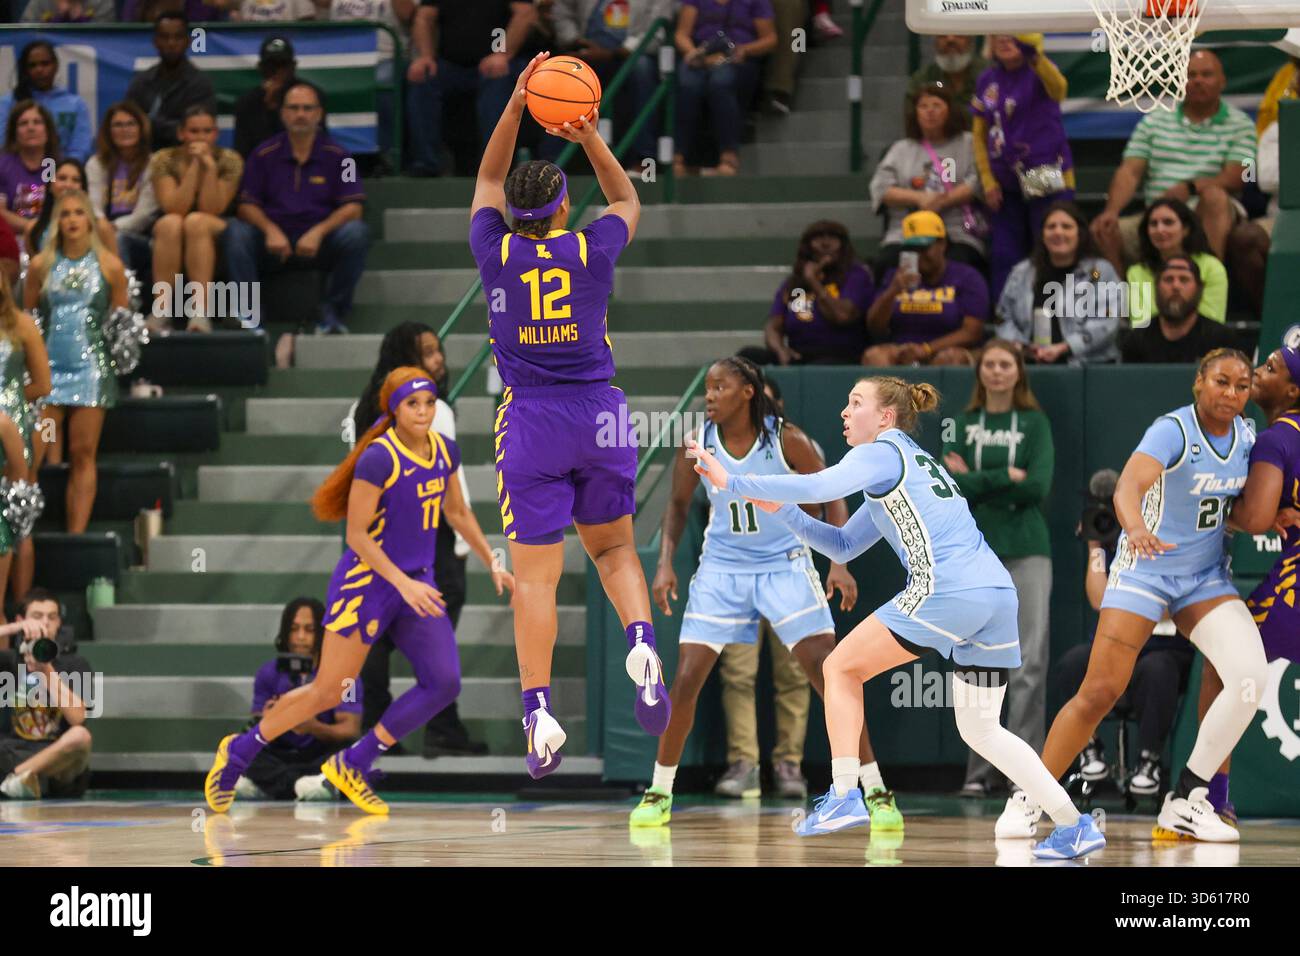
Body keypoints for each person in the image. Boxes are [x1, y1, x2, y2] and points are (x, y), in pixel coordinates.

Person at [690, 377, 1103, 858]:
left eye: (856, 402)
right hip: (994, 596)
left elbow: (822, 484)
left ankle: (846, 792)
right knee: (982, 730)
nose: (845, 412)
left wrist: (733, 481)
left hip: (949, 589)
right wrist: (782, 510)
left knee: (840, 667)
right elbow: (843, 544)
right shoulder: (906, 465)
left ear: (885, 417)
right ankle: (1075, 824)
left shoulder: (882, 451)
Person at [468, 53, 669, 777]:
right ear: (560, 208)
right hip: (604, 412)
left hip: (533, 421)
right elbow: (627, 203)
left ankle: (538, 711)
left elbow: (489, 179)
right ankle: (641, 639)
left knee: (538, 580)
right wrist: (587, 137)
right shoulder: (591, 247)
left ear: (511, 216)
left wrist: (518, 102)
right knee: (614, 550)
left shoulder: (493, 255)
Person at [204, 367, 515, 814]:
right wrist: (402, 582)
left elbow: (457, 511)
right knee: (328, 692)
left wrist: (492, 560)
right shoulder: (378, 458)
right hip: (367, 584)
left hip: (415, 583)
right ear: (393, 408)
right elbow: (357, 536)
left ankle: (355, 762)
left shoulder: (444, 450)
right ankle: (238, 753)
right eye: (413, 404)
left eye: (429, 403)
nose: (424, 412)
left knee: (444, 682)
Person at [1004, 350, 1266, 843]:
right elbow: (1128, 485)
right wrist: (1137, 526)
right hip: (1145, 570)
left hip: (1204, 577)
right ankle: (1029, 796)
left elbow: (1231, 508)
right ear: (1198, 382)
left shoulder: (1247, 437)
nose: (1231, 393)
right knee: (1100, 691)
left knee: (1249, 679)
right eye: (1221, 382)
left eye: (1242, 385)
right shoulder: (1173, 430)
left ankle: (1187, 800)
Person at [632, 358, 893, 828]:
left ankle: (874, 788)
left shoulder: (785, 438)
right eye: (707, 388)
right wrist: (665, 563)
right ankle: (658, 791)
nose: (709, 396)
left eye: (719, 387)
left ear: (747, 392)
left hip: (784, 565)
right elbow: (675, 505)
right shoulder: (699, 445)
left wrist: (839, 562)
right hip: (722, 569)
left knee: (830, 672)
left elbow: (833, 496)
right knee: (687, 676)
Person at [350, 323, 486, 758]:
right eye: (427, 353)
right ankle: (439, 727)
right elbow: (454, 498)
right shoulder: (436, 411)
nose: (438, 360)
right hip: (430, 545)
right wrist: (470, 547)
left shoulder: (360, 409)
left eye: (438, 350)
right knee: (436, 647)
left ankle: (376, 726)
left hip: (373, 543)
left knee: (374, 644)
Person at [713, 375, 837, 800]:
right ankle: (744, 762)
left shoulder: (798, 446)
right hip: (736, 573)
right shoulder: (719, 446)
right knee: (737, 672)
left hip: (788, 571)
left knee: (797, 671)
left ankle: (789, 764)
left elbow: (826, 504)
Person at [941, 341, 1054, 797]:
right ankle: (979, 771)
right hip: (974, 553)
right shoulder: (962, 424)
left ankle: (1022, 774)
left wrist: (978, 481)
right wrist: (1007, 477)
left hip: (1028, 550)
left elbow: (1040, 485)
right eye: (989, 363)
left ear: (1018, 372)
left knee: (1029, 661)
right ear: (979, 371)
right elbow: (950, 484)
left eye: (1006, 364)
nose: (997, 371)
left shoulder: (1035, 422)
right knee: (977, 662)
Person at [1205, 347, 1300, 821]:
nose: (1259, 373)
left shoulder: (1276, 438)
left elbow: (1259, 518)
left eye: (1271, 369)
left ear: (1292, 392)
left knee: (1224, 667)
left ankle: (1208, 798)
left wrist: (1221, 512)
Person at [1055, 516, 1194, 800]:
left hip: (1164, 647)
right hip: (1119, 644)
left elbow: (1168, 606)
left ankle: (1149, 760)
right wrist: (1095, 544)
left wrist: (1128, 599)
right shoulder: (1117, 542)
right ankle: (1089, 748)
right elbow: (1098, 599)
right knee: (1072, 664)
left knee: (1157, 670)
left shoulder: (1178, 538)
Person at [225, 82, 368, 335]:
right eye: (293, 108)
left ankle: (331, 313)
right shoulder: (262, 154)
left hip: (319, 242)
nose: (300, 114)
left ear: (319, 114)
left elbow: (353, 208)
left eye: (307, 108)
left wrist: (319, 232)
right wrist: (270, 230)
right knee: (236, 231)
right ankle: (249, 317)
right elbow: (246, 206)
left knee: (356, 233)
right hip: (272, 243)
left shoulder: (342, 157)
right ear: (282, 113)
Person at [24, 189, 128, 534]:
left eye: (78, 213)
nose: (71, 220)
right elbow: (29, 322)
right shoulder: (40, 265)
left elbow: (122, 325)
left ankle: (76, 537)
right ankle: (21, 533)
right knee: (30, 455)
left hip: (90, 372)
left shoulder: (111, 267)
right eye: (64, 214)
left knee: (83, 454)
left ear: (90, 221)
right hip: (47, 376)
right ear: (56, 222)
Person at [1090, 50, 1256, 266]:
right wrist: (1111, 211)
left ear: (1222, 81)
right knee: (1101, 230)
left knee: (1215, 198)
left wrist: (1192, 187)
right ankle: (1124, 296)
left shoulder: (1241, 123)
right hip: (1158, 214)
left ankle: (1209, 280)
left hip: (1208, 211)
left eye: (1206, 74)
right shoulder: (1154, 122)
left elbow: (1241, 175)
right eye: (1191, 75)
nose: (1198, 81)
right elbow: (1130, 171)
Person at [971, 34, 1074, 303]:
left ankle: (1055, 313)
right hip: (1004, 177)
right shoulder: (987, 79)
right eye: (998, 37)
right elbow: (979, 137)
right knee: (1006, 252)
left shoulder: (1040, 69)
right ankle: (1008, 316)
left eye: (1013, 37)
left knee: (1049, 244)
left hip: (1042, 170)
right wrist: (988, 181)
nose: (1004, 42)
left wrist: (1035, 55)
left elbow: (1060, 89)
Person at [235, 598, 362, 802]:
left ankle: (270, 786)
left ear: (322, 633)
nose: (300, 637)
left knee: (351, 751)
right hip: (281, 753)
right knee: (241, 744)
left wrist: (314, 727)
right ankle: (307, 786)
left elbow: (350, 729)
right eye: (294, 629)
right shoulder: (267, 673)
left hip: (321, 751)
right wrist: (270, 720)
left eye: (309, 630)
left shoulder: (347, 676)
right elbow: (256, 728)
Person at [405, 0, 535, 177]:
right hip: (451, 64)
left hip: (497, 62)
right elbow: (423, 17)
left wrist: (503, 53)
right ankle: (427, 163)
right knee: (423, 78)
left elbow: (525, 13)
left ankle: (494, 166)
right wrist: (425, 56)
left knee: (497, 83)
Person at [870, 82, 987, 278]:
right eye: (923, 106)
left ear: (950, 110)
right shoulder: (901, 149)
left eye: (936, 105)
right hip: (907, 232)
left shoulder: (969, 143)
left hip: (955, 230)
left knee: (963, 261)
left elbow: (979, 180)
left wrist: (944, 200)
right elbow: (881, 188)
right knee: (886, 263)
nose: (929, 111)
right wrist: (919, 199)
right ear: (915, 113)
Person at [150, 105, 244, 331]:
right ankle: (161, 309)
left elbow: (213, 208)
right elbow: (174, 207)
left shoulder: (229, 159)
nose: (201, 138)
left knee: (197, 221)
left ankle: (200, 312)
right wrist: (194, 166)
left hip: (220, 225)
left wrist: (210, 168)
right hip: (177, 223)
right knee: (169, 222)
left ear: (216, 134)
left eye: (207, 131)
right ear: (181, 133)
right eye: (194, 131)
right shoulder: (164, 158)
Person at [995, 201, 1122, 365]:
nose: (1058, 232)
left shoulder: (1097, 272)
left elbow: (1107, 321)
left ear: (1080, 233)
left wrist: (1066, 347)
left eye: (1066, 226)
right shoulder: (1022, 272)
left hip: (1088, 366)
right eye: (1051, 227)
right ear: (1042, 235)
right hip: (1030, 365)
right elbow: (1003, 318)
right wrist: (1020, 345)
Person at [862, 210, 988, 367]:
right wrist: (892, 291)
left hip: (948, 349)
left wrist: (927, 349)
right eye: (912, 248)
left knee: (949, 359)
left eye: (924, 248)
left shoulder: (967, 277)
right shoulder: (895, 277)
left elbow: (972, 332)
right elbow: (875, 326)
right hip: (902, 349)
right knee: (875, 356)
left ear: (942, 244)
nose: (918, 254)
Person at [0, 590, 94, 800]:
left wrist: (47, 670)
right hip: (11, 753)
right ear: (21, 620)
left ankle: (14, 781)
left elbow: (78, 718)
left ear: (59, 623)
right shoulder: (6, 661)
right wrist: (12, 629)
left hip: (57, 764)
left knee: (81, 737)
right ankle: (21, 780)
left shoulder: (75, 664)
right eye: (36, 616)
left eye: (51, 617)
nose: (44, 623)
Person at [551, 0, 670, 166]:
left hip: (633, 52)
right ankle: (552, 163)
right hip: (587, 48)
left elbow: (658, 29)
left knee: (642, 70)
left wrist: (616, 53)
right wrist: (575, 40)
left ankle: (643, 159)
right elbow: (563, 11)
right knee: (559, 71)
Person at [741, 220, 874, 366]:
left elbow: (842, 315)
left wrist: (814, 282)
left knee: (820, 366)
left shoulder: (856, 276)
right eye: (818, 238)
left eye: (832, 238)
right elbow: (773, 325)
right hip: (799, 353)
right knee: (747, 357)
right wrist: (780, 350)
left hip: (840, 355)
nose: (825, 243)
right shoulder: (794, 283)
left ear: (843, 246)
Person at [672, 0, 776, 176]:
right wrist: (693, 53)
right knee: (687, 83)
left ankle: (728, 156)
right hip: (701, 55)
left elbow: (770, 39)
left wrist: (745, 50)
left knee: (720, 82)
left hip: (737, 58)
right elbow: (681, 34)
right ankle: (678, 157)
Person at [0, 271, 49, 612]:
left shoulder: (22, 325)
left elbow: (43, 385)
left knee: (18, 520)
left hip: (12, 429)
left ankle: (21, 608)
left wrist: (10, 398)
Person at [1125, 199, 1228, 328]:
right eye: (1153, 224)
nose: (1160, 229)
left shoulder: (1212, 267)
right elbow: (1141, 324)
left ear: (1185, 229)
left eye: (1168, 222)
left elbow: (1212, 321)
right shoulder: (1137, 272)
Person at [86, 101, 160, 282]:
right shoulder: (96, 164)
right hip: (103, 230)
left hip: (142, 236)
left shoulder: (154, 163)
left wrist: (112, 229)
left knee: (119, 239)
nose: (124, 129)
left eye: (130, 124)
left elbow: (145, 214)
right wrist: (104, 227)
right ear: (108, 131)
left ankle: (124, 298)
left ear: (141, 128)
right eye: (118, 125)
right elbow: (93, 207)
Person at [126, 13, 219, 150]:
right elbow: (131, 123)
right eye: (165, 37)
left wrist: (150, 123)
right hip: (143, 159)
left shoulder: (200, 84)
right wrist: (173, 126)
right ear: (155, 41)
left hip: (187, 157)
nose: (171, 43)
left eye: (178, 37)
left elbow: (198, 129)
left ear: (187, 41)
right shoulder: (141, 82)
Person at [1120, 256, 1236, 365]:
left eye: (1184, 280)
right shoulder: (1136, 341)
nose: (1176, 286)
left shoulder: (1221, 340)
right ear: (1156, 287)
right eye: (1168, 279)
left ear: (1199, 289)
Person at [0, 42, 94, 163]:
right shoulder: (8, 104)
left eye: (45, 63)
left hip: (62, 174)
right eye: (32, 65)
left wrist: (61, 173)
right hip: (20, 174)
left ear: (56, 65)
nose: (39, 69)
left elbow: (80, 149)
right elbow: (4, 145)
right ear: (25, 70)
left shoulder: (76, 105)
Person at [25, 158, 118, 261]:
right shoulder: (33, 229)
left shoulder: (101, 227)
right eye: (62, 178)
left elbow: (116, 271)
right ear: (50, 185)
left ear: (83, 188)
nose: (68, 185)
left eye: (76, 180)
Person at [0, 101, 61, 242]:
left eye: (37, 122)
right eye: (23, 123)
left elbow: (61, 208)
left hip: (50, 239)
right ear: (15, 132)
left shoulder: (53, 166)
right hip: (9, 240)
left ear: (47, 131)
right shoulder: (3, 165)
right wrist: (32, 227)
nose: (31, 128)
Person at [234, 37, 299, 159]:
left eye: (282, 65)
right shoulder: (247, 104)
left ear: (293, 66)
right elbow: (243, 153)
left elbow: (315, 143)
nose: (277, 71)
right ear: (260, 67)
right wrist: (270, 107)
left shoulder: (309, 100)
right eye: (271, 65)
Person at [906, 34, 987, 122]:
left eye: (958, 34)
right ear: (935, 42)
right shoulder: (923, 79)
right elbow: (912, 122)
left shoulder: (988, 74)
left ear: (970, 40)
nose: (950, 39)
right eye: (943, 35)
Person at [20, 0, 116, 21]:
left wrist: (79, 19)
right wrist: (60, 18)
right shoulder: (39, 2)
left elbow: (105, 39)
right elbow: (26, 34)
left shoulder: (102, 2)